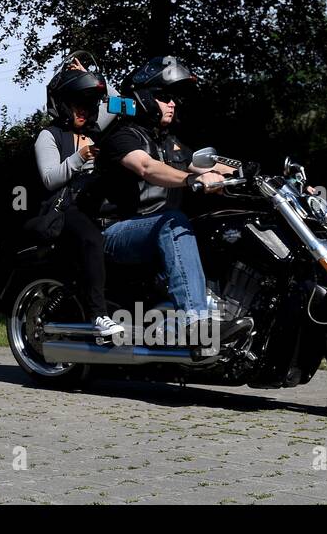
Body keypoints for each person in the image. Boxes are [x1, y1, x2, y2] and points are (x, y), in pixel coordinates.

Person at [94, 56, 232, 327]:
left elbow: (208, 164)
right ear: (144, 98)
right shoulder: (122, 136)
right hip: (116, 231)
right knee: (174, 222)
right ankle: (195, 320)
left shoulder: (169, 142)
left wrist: (257, 173)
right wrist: (191, 180)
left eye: (174, 98)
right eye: (164, 96)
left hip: (152, 229)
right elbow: (146, 167)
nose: (172, 103)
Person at [34, 59, 124, 338]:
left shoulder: (94, 130)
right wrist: (79, 157)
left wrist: (90, 75)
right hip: (67, 207)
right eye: (77, 104)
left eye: (88, 104)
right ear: (63, 104)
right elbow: (50, 178)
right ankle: (99, 315)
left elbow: (118, 101)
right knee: (92, 239)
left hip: (100, 203)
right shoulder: (49, 135)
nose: (83, 110)